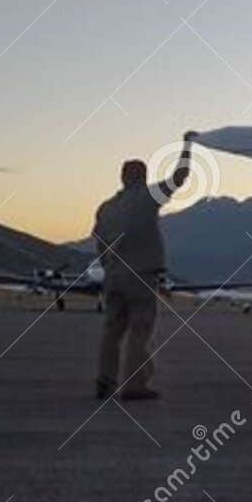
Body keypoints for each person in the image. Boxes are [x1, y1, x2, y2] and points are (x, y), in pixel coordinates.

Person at [92, 143, 191, 401]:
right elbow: (179, 178)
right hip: (141, 276)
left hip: (113, 277)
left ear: (122, 177)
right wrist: (187, 147)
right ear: (143, 177)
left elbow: (100, 246)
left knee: (112, 330)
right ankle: (135, 384)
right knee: (140, 329)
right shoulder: (148, 198)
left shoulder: (106, 208)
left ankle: (105, 380)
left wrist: (110, 268)